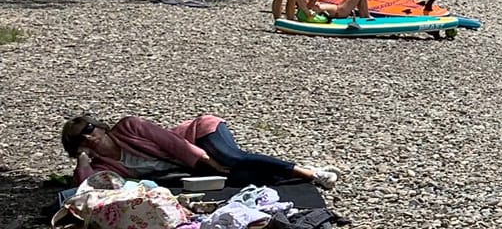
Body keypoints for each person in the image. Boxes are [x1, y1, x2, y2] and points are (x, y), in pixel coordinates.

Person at [60, 114, 339, 189]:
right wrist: (82, 161)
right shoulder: (104, 166)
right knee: (238, 178)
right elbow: (87, 188)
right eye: (80, 142)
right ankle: (291, 178)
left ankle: (309, 172)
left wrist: (210, 162)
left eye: (89, 130)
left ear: (100, 127)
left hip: (200, 136)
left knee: (231, 159)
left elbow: (175, 145)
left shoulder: (130, 127)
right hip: (187, 165)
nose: (89, 139)